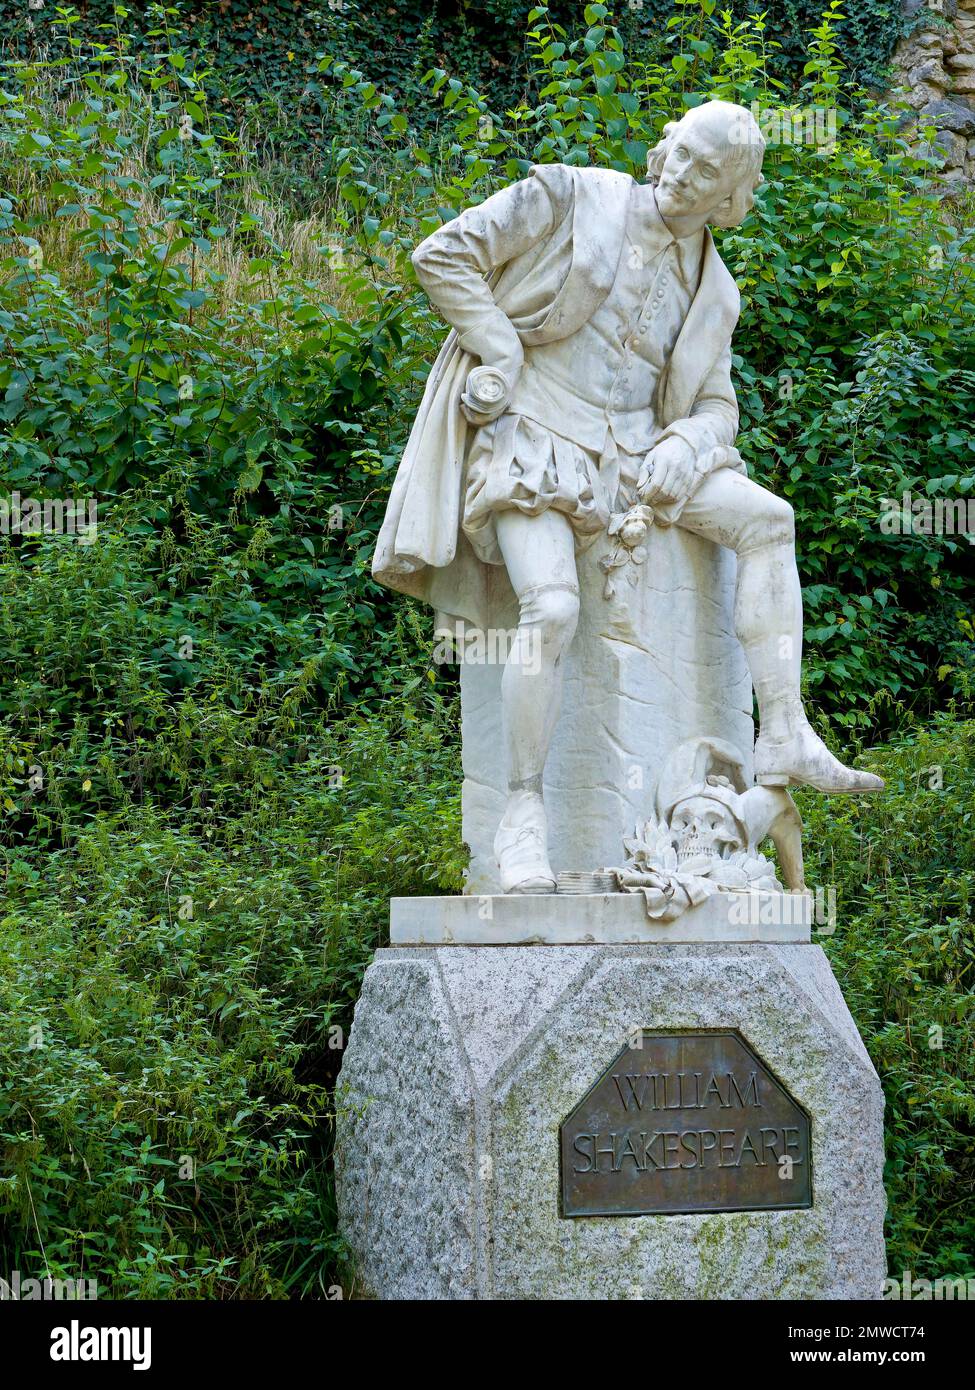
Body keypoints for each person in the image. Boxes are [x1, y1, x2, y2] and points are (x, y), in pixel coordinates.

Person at [373, 99, 882, 894]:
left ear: (729, 197)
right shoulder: (567, 197)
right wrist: (499, 345)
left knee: (768, 521)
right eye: (680, 152)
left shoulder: (715, 290)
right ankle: (521, 814)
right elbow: (442, 255)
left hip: (640, 458)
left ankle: (784, 730)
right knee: (551, 609)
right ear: (663, 146)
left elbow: (716, 409)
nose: (682, 175)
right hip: (537, 437)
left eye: (707, 172)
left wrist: (687, 442)